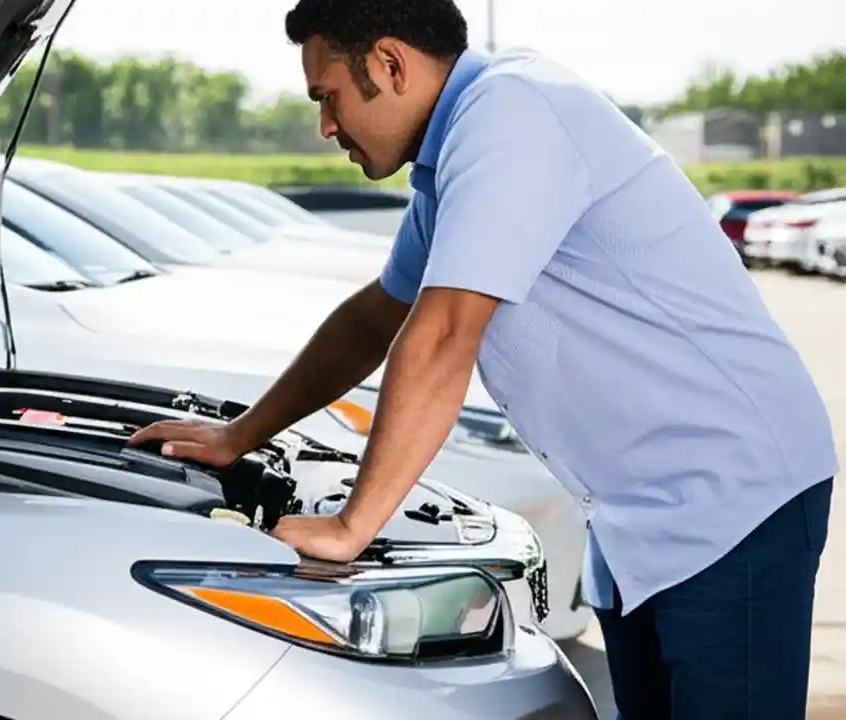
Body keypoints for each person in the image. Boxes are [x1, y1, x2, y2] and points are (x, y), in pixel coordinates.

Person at [130, 1, 836, 718]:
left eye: (328, 96)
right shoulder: (456, 154)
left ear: (390, 63)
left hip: (731, 497)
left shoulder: (511, 115)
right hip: (641, 516)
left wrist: (353, 525)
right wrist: (239, 434)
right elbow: (378, 316)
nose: (326, 126)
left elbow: (442, 336)